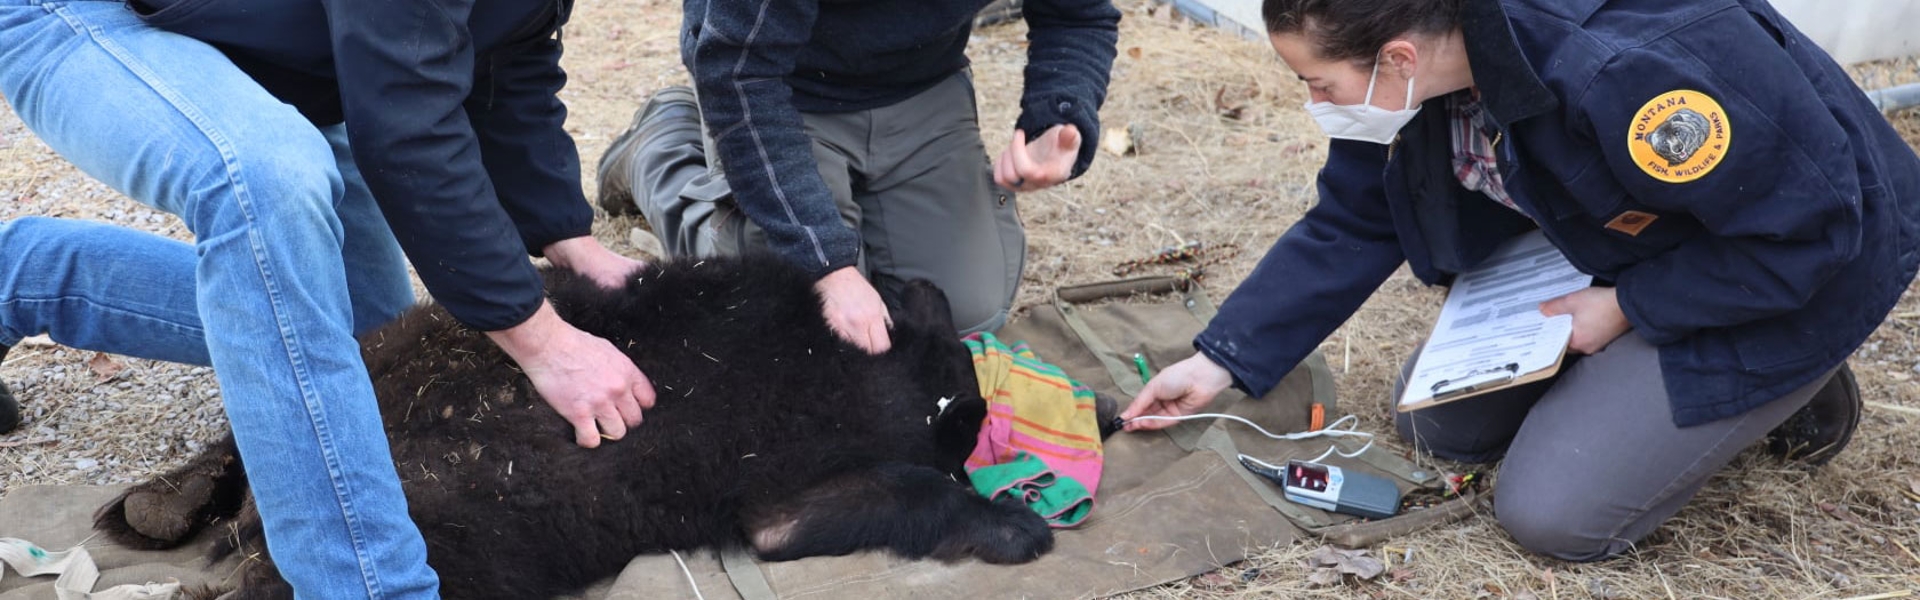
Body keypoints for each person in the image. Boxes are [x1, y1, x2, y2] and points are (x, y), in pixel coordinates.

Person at [1121, 0, 1920, 561]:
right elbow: (1356, 220)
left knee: (1552, 515)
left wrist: (1625, 307)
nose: (1313, 102)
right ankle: (1679, 368)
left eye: (1317, 82)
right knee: (1436, 426)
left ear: (1397, 56)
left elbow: (1807, 234)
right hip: (1645, 238)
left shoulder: (1623, 69)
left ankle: (1800, 384)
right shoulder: (1424, 58)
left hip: (1810, 255)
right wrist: (1221, 359)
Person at [0, 0, 655, 596]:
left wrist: (569, 239)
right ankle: (363, 585)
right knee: (264, 181)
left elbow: (506, 50)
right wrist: (544, 340)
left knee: (381, 349)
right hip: (81, 13)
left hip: (290, 47)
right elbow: (408, 126)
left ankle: (20, 279)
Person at [594, 0, 1121, 351]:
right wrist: (824, 262)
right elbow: (739, 72)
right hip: (776, 89)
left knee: (959, 319)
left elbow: (1079, 14)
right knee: (796, 325)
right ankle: (661, 146)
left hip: (921, 85)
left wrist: (1061, 113)